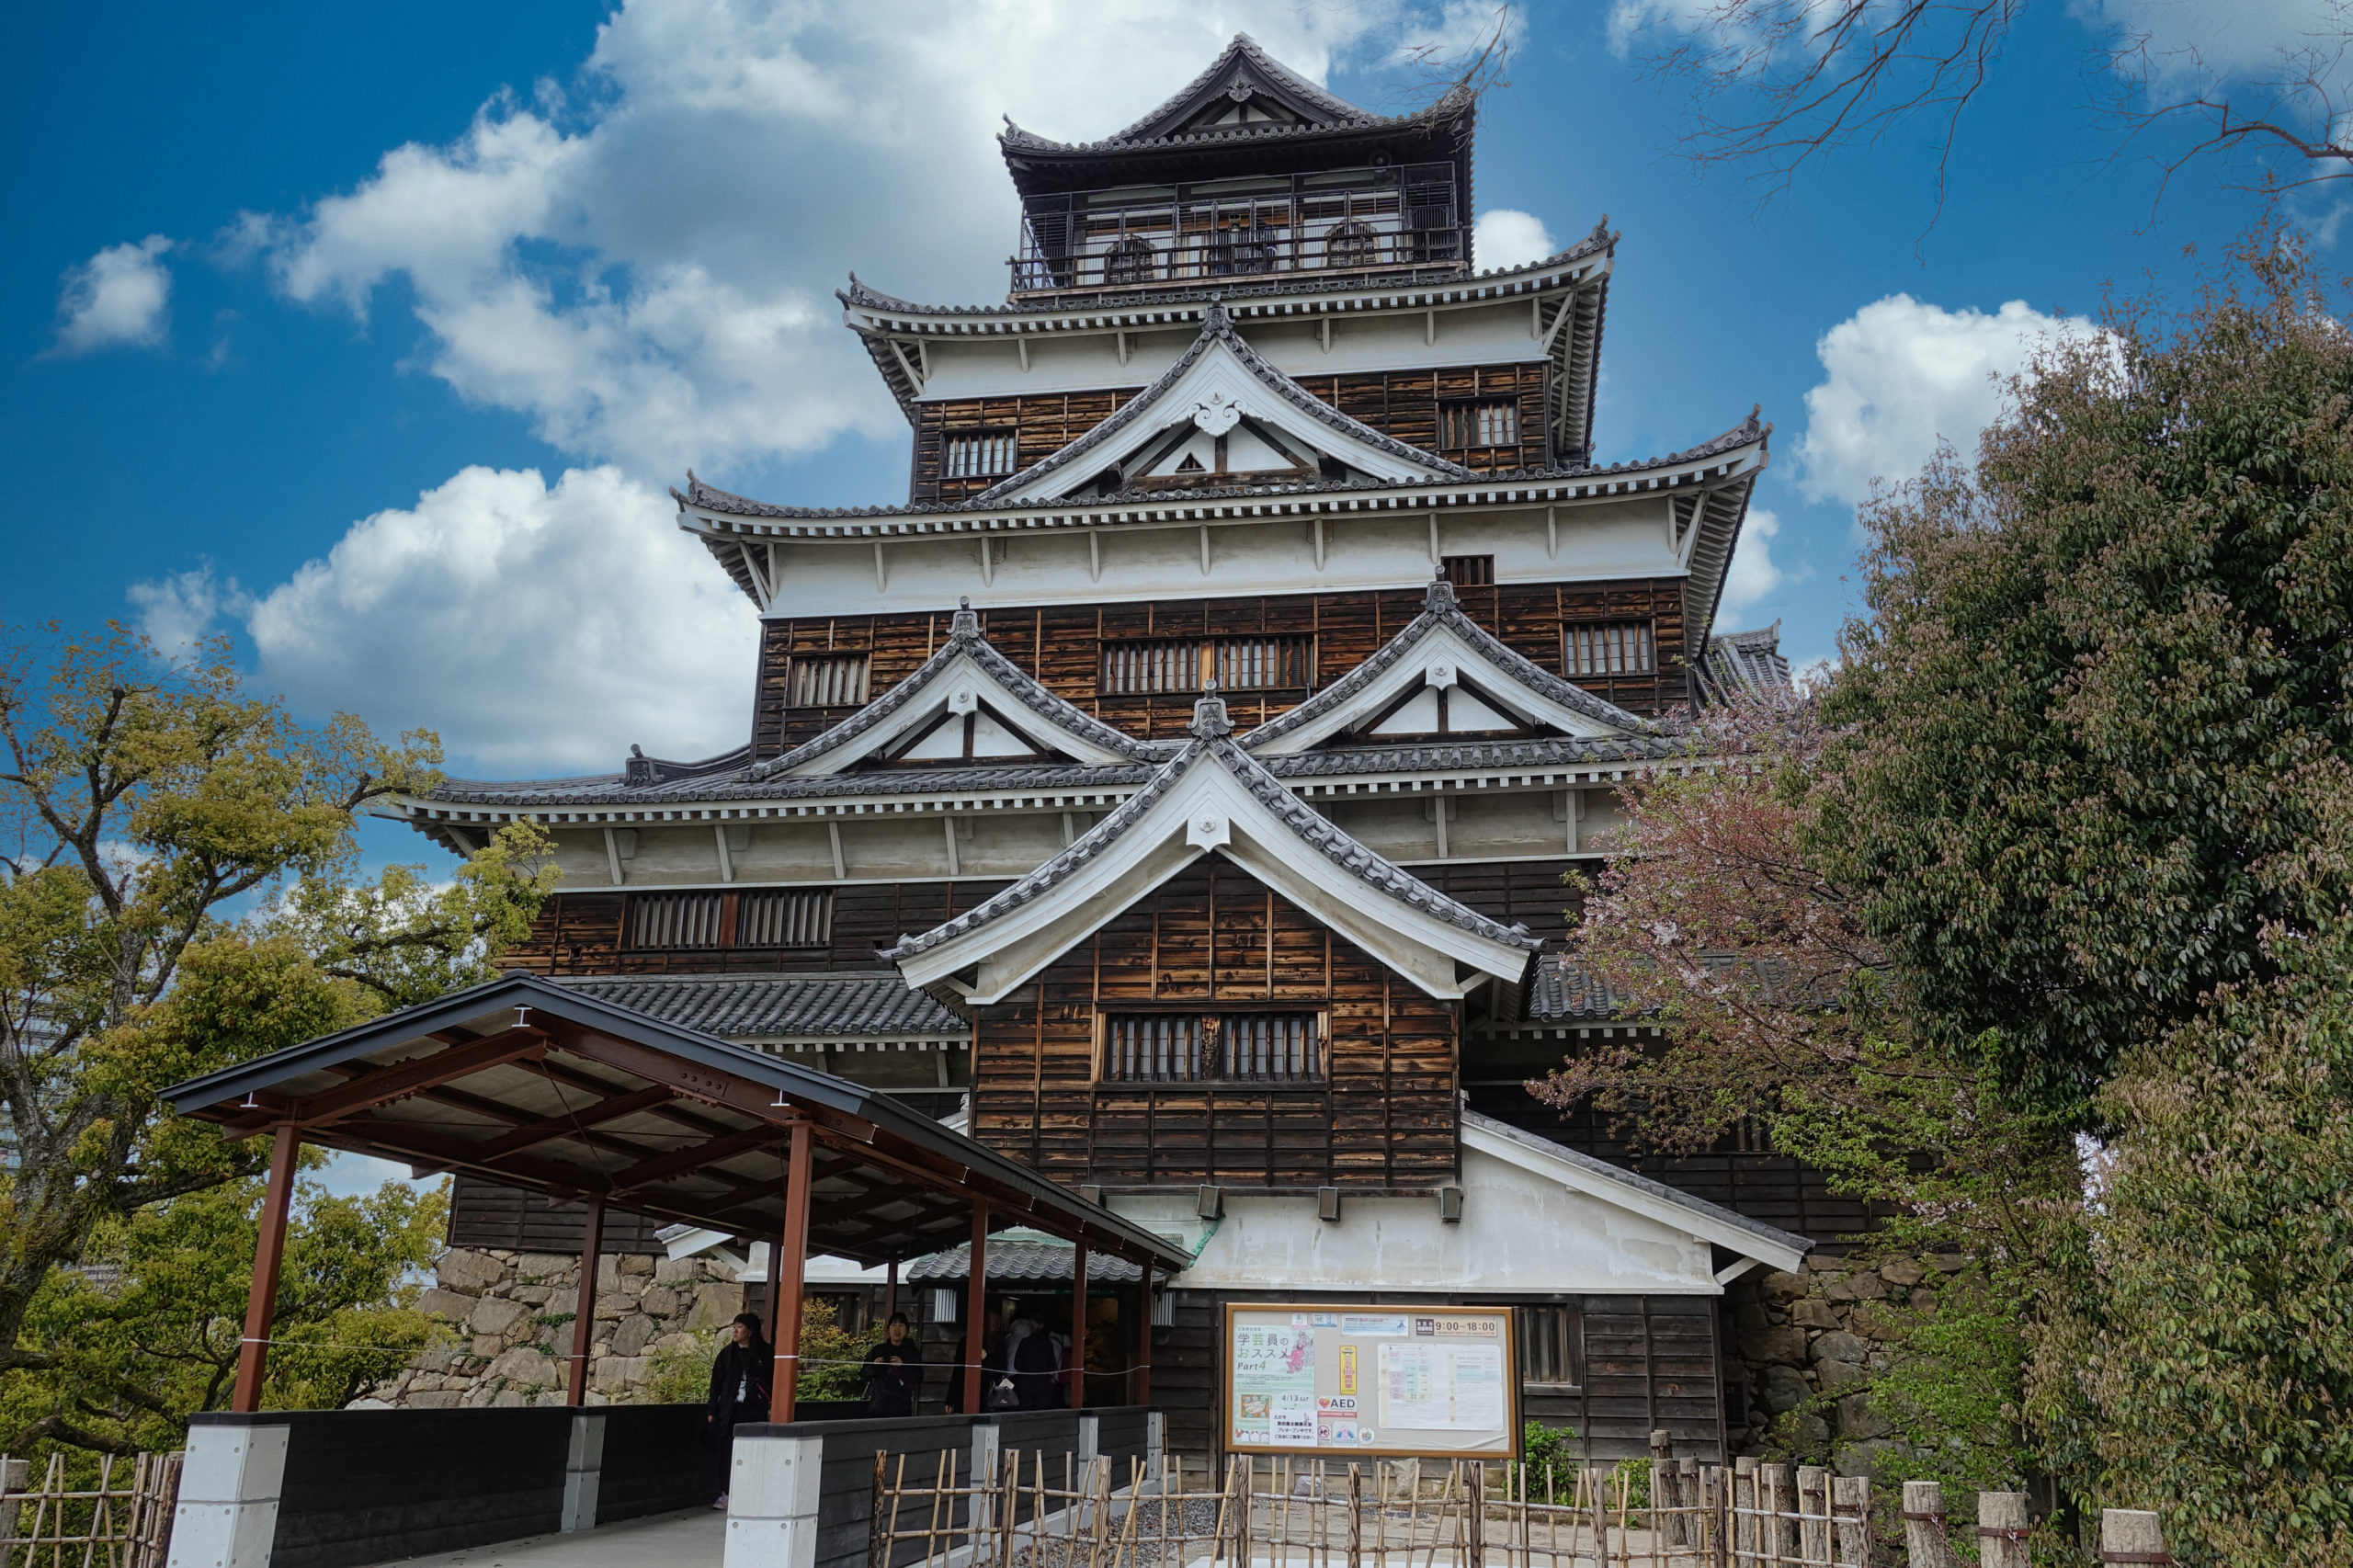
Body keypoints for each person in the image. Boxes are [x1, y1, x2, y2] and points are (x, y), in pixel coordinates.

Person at [706, 1312, 772, 1510]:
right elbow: (715, 1384)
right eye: (733, 1326)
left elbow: (772, 1380)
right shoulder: (726, 1354)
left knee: (753, 1450)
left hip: (754, 1408)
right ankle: (726, 1493)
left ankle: (749, 1492)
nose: (735, 1331)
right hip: (729, 1409)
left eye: (740, 1327)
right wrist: (712, 1409)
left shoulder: (765, 1353)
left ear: (750, 1331)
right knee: (726, 1451)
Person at [860, 1312, 924, 1416]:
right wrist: (874, 1366)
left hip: (901, 1408)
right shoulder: (878, 1350)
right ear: (888, 1330)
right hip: (878, 1406)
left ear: (906, 1330)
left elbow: (918, 1377)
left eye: (901, 1325)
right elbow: (864, 1375)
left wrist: (903, 1367)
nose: (897, 1329)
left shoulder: (912, 1352)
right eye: (893, 1325)